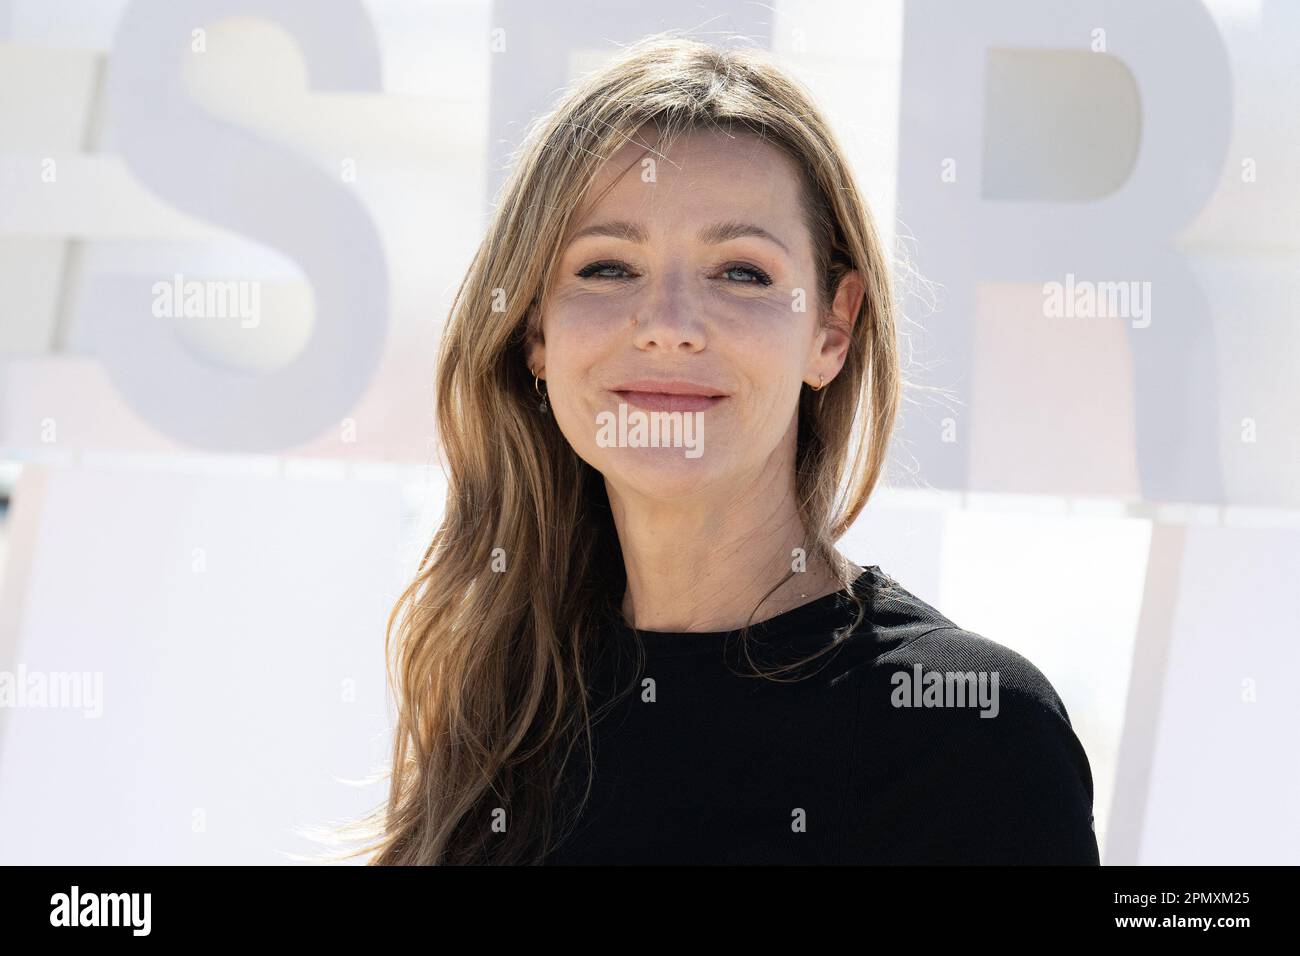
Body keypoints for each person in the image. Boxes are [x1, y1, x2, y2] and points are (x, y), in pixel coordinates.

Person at [362, 33, 1100, 865]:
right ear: (535, 327)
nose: (669, 326)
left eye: (741, 273)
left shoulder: (971, 732)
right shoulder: (502, 703)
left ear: (832, 327)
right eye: (608, 268)